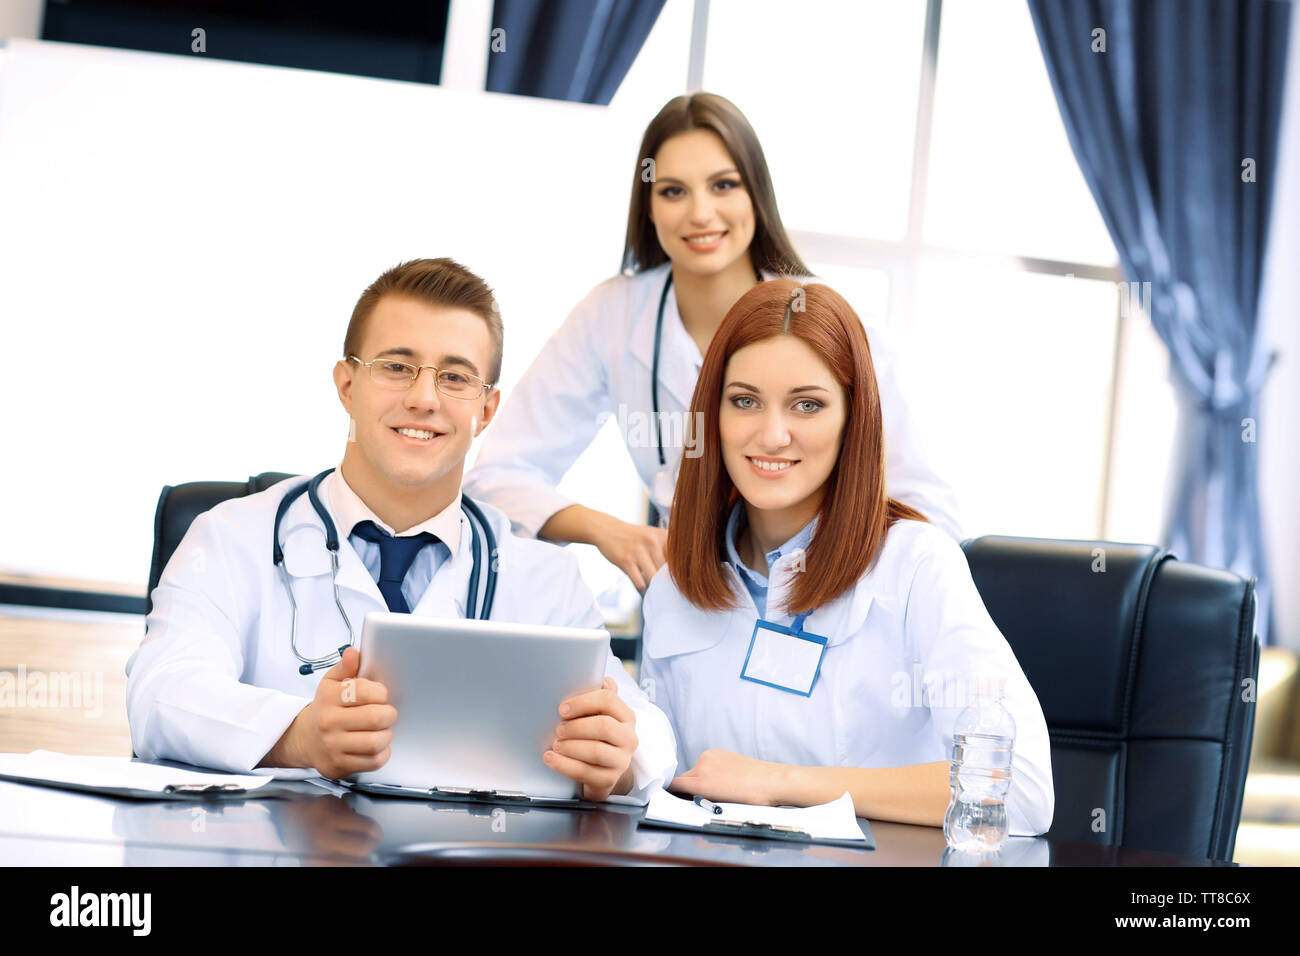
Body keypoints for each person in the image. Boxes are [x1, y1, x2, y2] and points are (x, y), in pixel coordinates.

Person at [126, 258, 676, 802]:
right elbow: (160, 692)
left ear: (487, 410)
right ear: (346, 385)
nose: (424, 398)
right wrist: (300, 735)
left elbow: (645, 727)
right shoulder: (229, 537)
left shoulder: (543, 576)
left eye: (456, 377)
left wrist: (619, 759)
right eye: (396, 367)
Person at [464, 92, 962, 593]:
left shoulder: (832, 322)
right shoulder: (612, 315)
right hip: (691, 596)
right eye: (674, 191)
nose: (700, 213)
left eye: (723, 185)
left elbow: (928, 511)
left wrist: (830, 576)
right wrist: (609, 532)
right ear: (649, 206)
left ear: (756, 195)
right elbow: (499, 475)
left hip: (825, 595)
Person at [639, 279, 1053, 835]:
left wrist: (781, 783)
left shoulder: (916, 566)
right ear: (711, 415)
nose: (773, 434)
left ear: (852, 419)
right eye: (745, 401)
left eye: (807, 404)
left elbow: (1020, 792)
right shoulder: (673, 588)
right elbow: (664, 789)